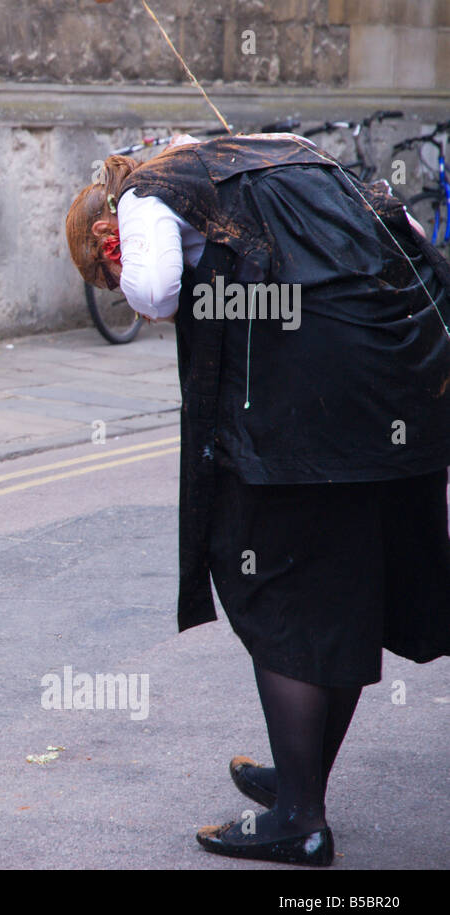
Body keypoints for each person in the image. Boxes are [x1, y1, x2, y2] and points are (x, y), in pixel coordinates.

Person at [65, 131, 450, 866]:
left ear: (107, 233)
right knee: (341, 592)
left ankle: (300, 820)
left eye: (106, 266)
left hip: (300, 420)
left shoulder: (152, 193)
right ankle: (301, 778)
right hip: (402, 393)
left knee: (275, 593)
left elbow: (155, 293)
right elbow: (404, 229)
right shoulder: (288, 152)